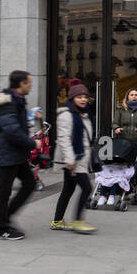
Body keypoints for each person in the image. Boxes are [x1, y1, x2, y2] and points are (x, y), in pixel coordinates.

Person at [0, 70, 38, 240]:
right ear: (21, 84)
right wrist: (32, 143)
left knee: (29, 184)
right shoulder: (8, 103)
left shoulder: (17, 100)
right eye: (29, 83)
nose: (31, 86)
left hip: (15, 152)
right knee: (3, 191)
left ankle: (5, 218)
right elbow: (11, 130)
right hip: (7, 152)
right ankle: (0, 228)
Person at [50, 81, 97, 233]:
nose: (83, 100)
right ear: (72, 98)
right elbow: (64, 139)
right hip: (74, 160)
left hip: (81, 157)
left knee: (68, 190)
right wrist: (70, 159)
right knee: (86, 188)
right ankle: (77, 221)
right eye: (79, 97)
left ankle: (57, 221)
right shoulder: (66, 115)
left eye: (85, 97)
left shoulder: (83, 114)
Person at [106, 88, 137, 203]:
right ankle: (125, 190)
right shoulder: (121, 109)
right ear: (127, 96)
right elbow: (115, 123)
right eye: (131, 95)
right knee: (124, 167)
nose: (134, 97)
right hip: (124, 143)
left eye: (136, 95)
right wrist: (116, 128)